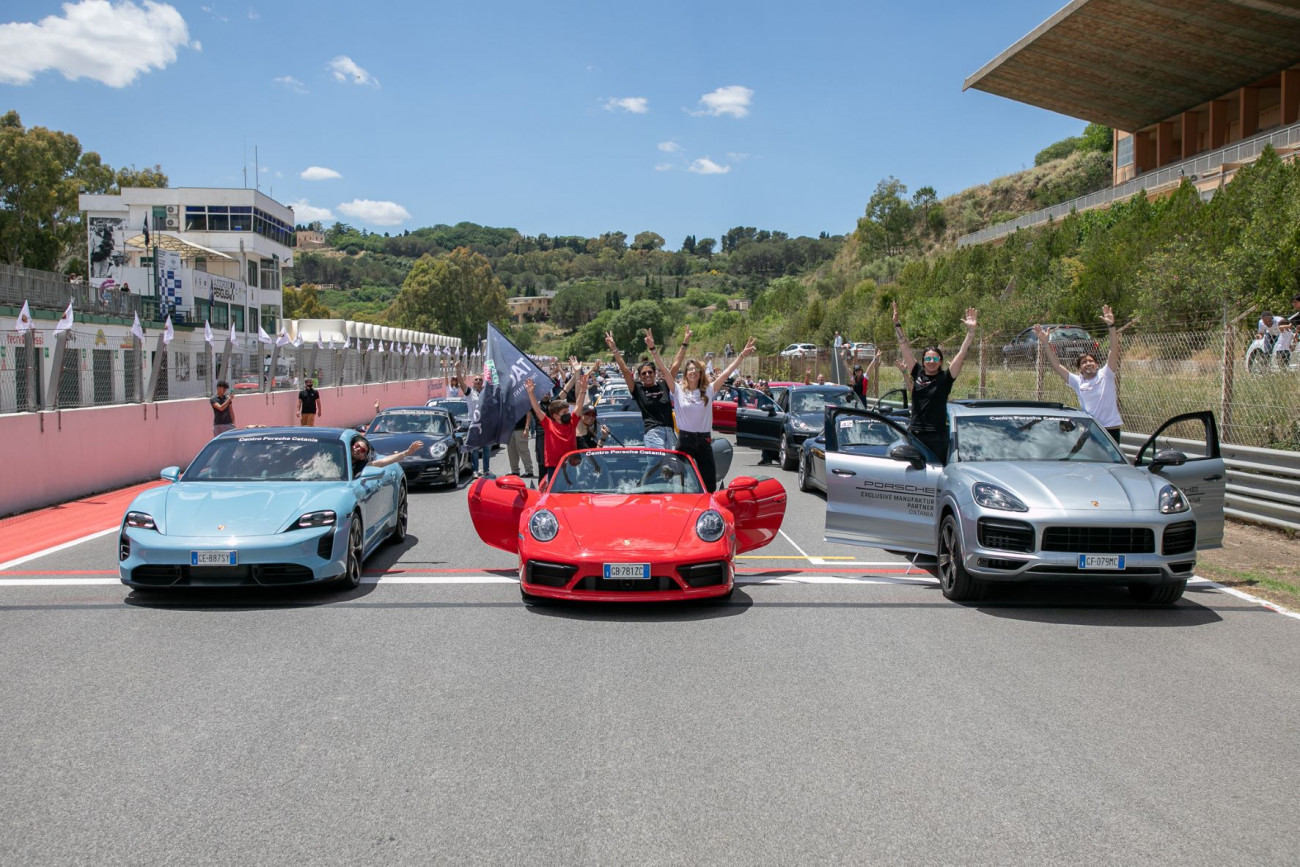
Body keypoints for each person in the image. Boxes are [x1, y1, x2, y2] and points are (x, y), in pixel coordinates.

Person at [650, 332, 755, 493]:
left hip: (704, 441)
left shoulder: (709, 390)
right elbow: (665, 371)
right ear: (686, 374)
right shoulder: (678, 390)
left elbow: (726, 372)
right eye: (690, 369)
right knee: (677, 482)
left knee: (709, 484)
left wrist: (741, 355)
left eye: (696, 370)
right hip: (685, 441)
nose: (693, 372)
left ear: (700, 374)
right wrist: (653, 349)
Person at [893, 301, 977, 463]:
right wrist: (897, 323)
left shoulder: (946, 378)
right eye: (928, 358)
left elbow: (961, 354)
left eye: (935, 358)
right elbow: (904, 347)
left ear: (940, 361)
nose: (931, 361)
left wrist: (971, 332)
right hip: (915, 435)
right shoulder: (917, 372)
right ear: (923, 361)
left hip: (937, 438)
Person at [1034, 305, 1123, 444]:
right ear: (1080, 368)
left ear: (1097, 365)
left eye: (1091, 361)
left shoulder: (1106, 374)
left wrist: (1111, 326)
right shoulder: (1077, 381)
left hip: (1110, 428)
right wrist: (1045, 342)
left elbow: (1114, 348)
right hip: (1092, 428)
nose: (1088, 363)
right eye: (1084, 362)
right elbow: (1056, 365)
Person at [604, 328, 690, 450]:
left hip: (670, 432)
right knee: (659, 464)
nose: (647, 375)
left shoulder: (664, 385)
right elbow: (625, 371)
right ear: (640, 377)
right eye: (644, 374)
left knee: (673, 466)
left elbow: (675, 365)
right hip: (653, 433)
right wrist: (614, 349)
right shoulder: (638, 390)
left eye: (650, 372)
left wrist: (685, 343)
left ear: (655, 373)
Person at [524, 373, 589, 483]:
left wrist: (583, 390)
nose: (568, 414)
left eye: (568, 411)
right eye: (564, 412)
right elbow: (537, 410)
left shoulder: (572, 422)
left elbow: (578, 407)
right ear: (555, 416)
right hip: (554, 467)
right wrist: (531, 393)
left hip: (571, 465)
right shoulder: (548, 424)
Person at [349, 435, 423, 478]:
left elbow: (384, 461)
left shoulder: (363, 467)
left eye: (362, 450)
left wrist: (407, 452)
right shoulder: (338, 457)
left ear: (363, 457)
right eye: (357, 445)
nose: (357, 449)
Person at [464, 371, 492, 477]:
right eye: (476, 379)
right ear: (473, 382)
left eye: (480, 379)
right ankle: (475, 470)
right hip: (474, 423)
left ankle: (486, 470)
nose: (478, 381)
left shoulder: (487, 392)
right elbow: (462, 384)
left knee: (486, 448)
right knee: (474, 449)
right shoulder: (469, 392)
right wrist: (457, 370)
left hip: (485, 424)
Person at [507, 402, 535, 477]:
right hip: (510, 429)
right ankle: (514, 471)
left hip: (521, 428)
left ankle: (529, 471)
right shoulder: (507, 400)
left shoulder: (522, 399)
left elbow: (528, 414)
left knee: (523, 450)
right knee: (511, 451)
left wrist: (527, 427)